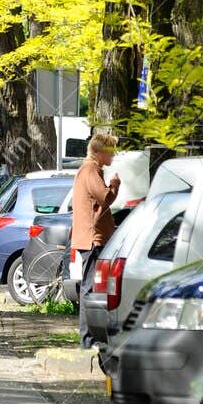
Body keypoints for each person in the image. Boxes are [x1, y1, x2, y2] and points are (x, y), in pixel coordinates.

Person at [70, 133, 120, 349]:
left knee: (91, 288)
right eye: (110, 151)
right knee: (90, 288)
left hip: (91, 238)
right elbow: (106, 198)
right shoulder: (91, 170)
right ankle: (87, 339)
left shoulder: (89, 169)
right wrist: (115, 184)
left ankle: (91, 337)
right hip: (92, 239)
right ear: (99, 152)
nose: (113, 155)